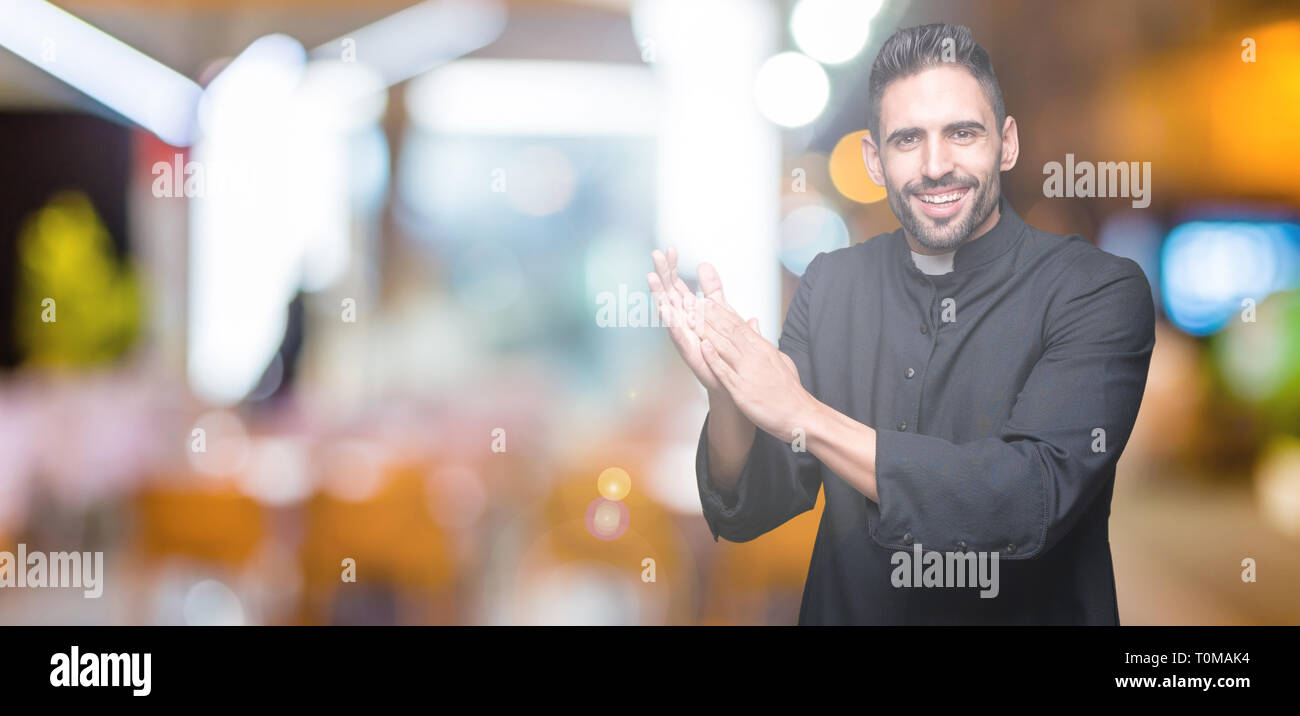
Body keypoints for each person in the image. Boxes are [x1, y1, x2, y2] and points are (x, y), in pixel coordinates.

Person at [646, 23, 1155, 624]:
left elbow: (1028, 499)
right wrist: (726, 391)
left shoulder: (1094, 288)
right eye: (908, 139)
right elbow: (752, 506)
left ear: (1007, 142)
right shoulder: (833, 284)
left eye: (962, 133)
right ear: (875, 159)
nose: (936, 165)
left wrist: (803, 411)